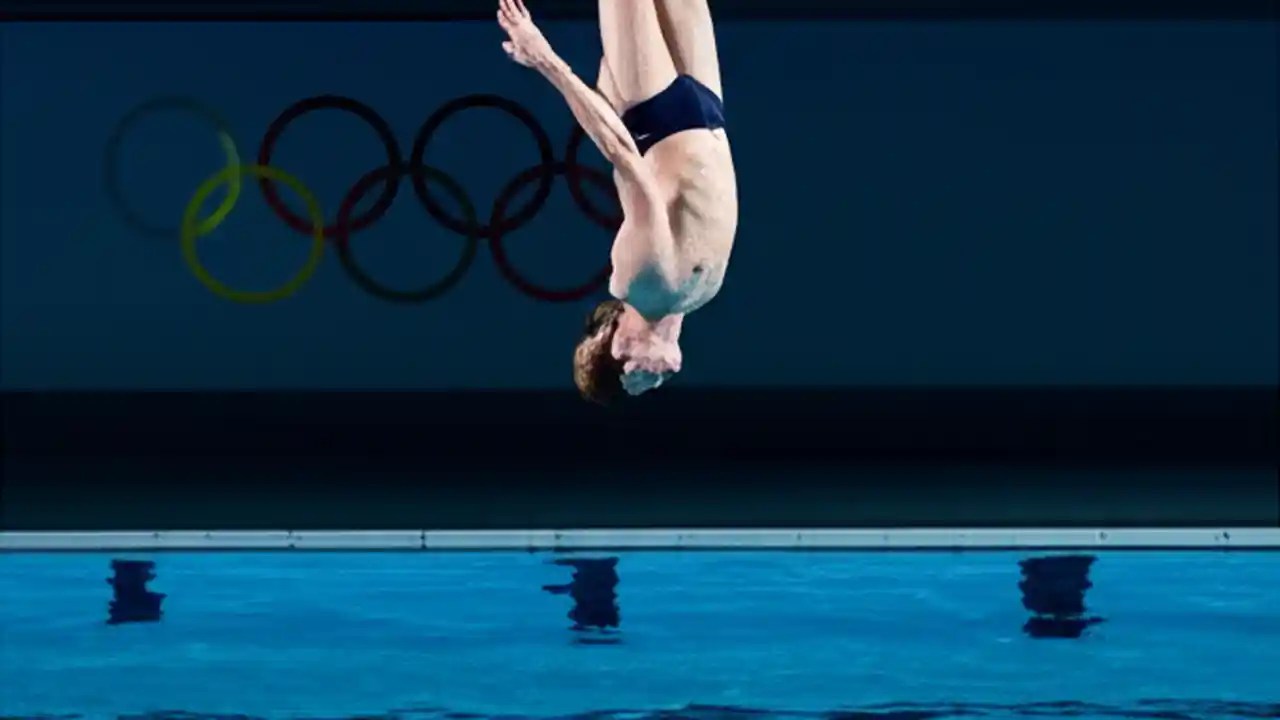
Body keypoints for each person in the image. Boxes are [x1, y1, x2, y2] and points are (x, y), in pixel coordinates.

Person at [497, 0, 738, 403]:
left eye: (618, 353)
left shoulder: (637, 283)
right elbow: (664, 342)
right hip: (709, 109)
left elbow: (623, 155)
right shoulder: (694, 296)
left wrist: (546, 60)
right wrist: (657, 356)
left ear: (615, 339)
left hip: (655, 115)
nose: (631, 358)